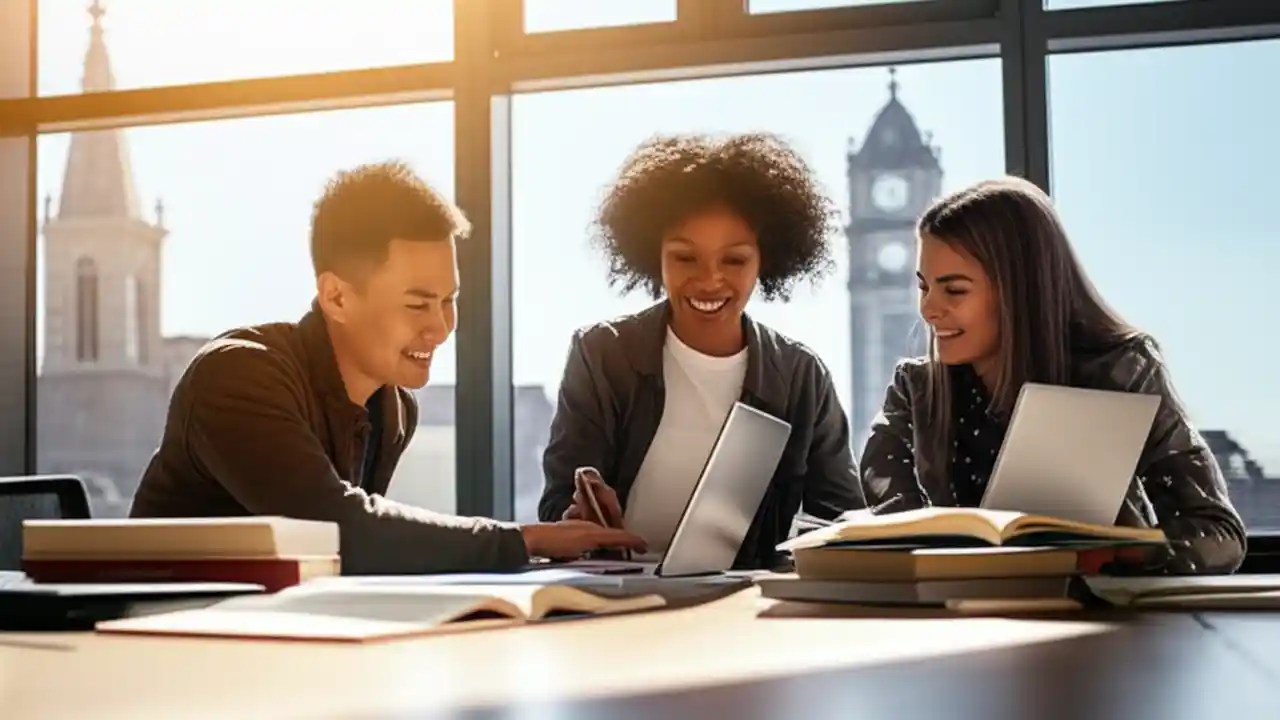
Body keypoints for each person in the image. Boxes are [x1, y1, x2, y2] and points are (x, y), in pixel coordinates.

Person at [131, 161, 645, 574]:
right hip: (152, 649)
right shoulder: (239, 376)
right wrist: (525, 539)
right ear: (335, 296)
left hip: (279, 642)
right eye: (418, 304)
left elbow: (351, 559)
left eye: (449, 300)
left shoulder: (393, 407)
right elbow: (341, 531)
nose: (442, 328)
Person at [860, 176, 1245, 574]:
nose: (928, 310)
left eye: (954, 290)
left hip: (1107, 621)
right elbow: (893, 525)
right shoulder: (915, 390)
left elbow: (1217, 533)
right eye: (923, 288)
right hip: (959, 623)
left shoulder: (1121, 373)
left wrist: (1118, 556)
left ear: (1019, 291)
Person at [537, 133, 865, 570]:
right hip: (616, 593)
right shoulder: (603, 355)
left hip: (742, 602)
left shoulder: (800, 375)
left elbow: (841, 519)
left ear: (764, 261)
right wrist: (577, 519)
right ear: (656, 256)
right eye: (685, 258)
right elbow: (557, 502)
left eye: (734, 260)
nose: (710, 280)